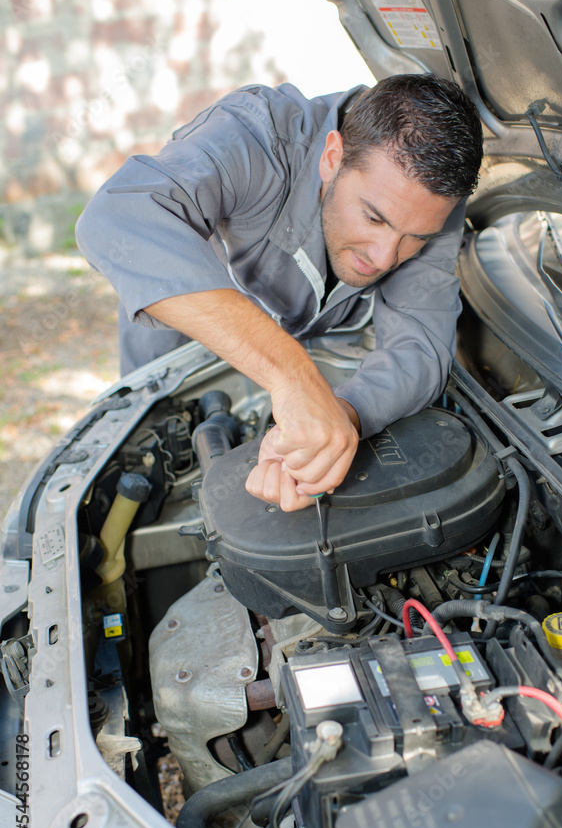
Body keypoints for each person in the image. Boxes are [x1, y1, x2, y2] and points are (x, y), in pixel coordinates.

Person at [76, 74, 483, 511]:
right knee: (152, 465)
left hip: (309, 351)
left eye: (415, 237)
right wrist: (293, 376)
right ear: (332, 157)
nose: (386, 258)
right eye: (373, 219)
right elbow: (117, 218)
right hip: (184, 337)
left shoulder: (429, 200)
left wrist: (340, 415)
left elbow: (420, 343)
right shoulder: (255, 135)